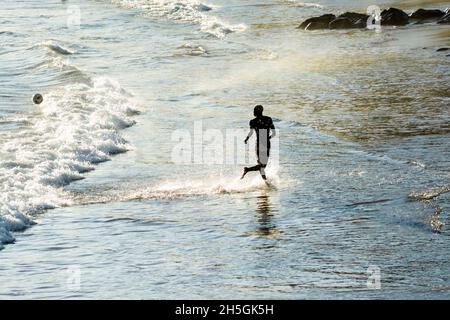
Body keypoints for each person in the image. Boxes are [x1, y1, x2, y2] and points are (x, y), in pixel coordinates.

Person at [241, 105, 276, 181]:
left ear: (256, 112)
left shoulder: (253, 121)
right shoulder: (268, 119)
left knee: (261, 165)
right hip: (266, 143)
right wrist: (268, 138)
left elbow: (251, 132)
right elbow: (274, 133)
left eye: (254, 111)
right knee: (263, 165)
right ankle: (249, 170)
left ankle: (264, 180)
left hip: (258, 144)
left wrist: (246, 139)